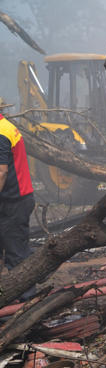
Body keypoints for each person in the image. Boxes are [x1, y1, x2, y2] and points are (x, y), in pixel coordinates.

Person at [0, 111, 34, 272]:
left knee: (16, 255)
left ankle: (25, 296)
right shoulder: (5, 126)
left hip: (14, 202)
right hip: (10, 200)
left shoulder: (1, 133)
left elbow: (1, 172)